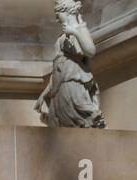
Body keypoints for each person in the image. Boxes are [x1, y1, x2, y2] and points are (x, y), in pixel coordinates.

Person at [36, 0, 106, 128]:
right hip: (60, 87)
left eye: (58, 14)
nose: (57, 19)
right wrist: (44, 93)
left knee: (80, 118)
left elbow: (91, 51)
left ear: (67, 12)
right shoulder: (62, 36)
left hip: (74, 82)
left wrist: (74, 32)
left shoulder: (79, 28)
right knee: (59, 124)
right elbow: (57, 69)